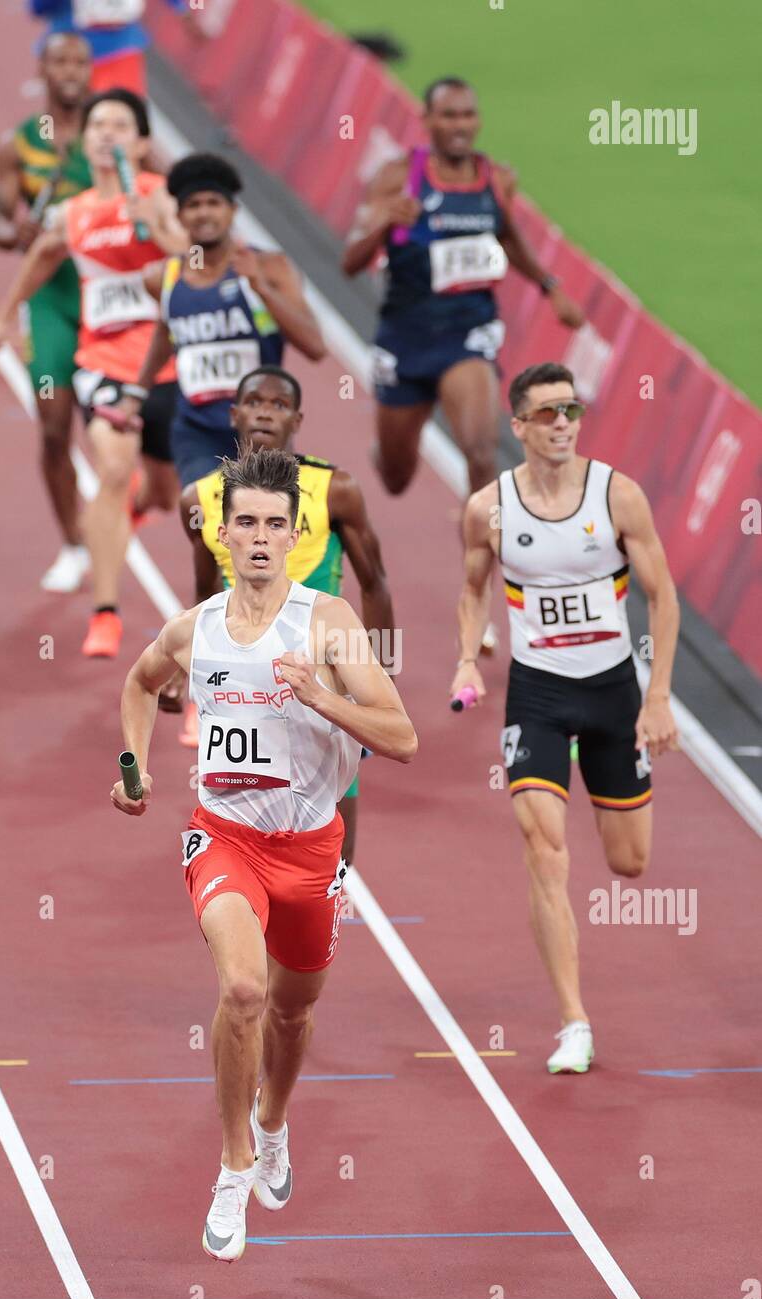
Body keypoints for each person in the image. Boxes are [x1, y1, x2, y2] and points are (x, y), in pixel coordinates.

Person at [111, 446, 417, 1262]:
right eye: (243, 521)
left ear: (294, 536)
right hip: (225, 838)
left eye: (273, 525)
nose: (256, 537)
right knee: (244, 989)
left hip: (313, 848)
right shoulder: (196, 628)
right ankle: (232, 1166)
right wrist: (132, 767)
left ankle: (273, 1124)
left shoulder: (328, 625)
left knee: (292, 1008)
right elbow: (141, 684)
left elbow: (404, 737)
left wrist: (320, 694)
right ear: (219, 532)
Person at [450, 362, 679, 1074]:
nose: (561, 424)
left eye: (570, 411)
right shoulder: (488, 509)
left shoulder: (618, 497)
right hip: (539, 697)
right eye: (545, 414)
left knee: (628, 862)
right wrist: (465, 656)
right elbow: (471, 588)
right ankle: (573, 1022)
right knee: (544, 850)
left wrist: (658, 696)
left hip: (611, 693)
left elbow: (663, 598)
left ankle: (600, 775)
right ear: (517, 425)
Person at [0, 89, 187, 658]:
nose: (105, 133)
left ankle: (120, 518)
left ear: (142, 142)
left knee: (165, 495)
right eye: (98, 124)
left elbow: (195, 258)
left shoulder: (159, 194)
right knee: (113, 470)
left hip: (166, 362)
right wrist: (1, 321)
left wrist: (163, 231)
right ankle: (107, 614)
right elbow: (43, 255)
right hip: (102, 363)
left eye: (120, 125)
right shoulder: (73, 213)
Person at [179, 367, 396, 863]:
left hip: (324, 681)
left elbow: (375, 583)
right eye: (254, 401)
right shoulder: (198, 499)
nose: (265, 411)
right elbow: (204, 588)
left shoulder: (335, 488)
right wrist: (183, 668)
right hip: (246, 678)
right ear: (234, 414)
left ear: (297, 417)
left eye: (279, 405)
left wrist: (379, 680)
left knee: (335, 860)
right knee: (239, 831)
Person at [343, 76, 585, 501]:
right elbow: (349, 263)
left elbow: (507, 237)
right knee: (396, 479)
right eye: (449, 115)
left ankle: (484, 560)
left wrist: (551, 287)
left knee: (479, 451)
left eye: (468, 114)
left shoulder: (496, 180)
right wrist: (385, 224)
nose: (460, 125)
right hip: (406, 337)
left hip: (467, 334)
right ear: (428, 120)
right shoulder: (397, 178)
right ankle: (386, 451)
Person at [112, 152, 326, 489]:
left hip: (262, 430)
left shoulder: (270, 266)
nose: (204, 213)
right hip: (196, 431)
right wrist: (135, 394)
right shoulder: (162, 277)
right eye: (194, 205)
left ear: (232, 211)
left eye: (214, 202)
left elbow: (315, 346)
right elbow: (167, 334)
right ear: (180, 216)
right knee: (207, 519)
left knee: (264, 529)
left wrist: (261, 288)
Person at [0, 32, 93, 593]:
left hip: (105, 299)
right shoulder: (19, 145)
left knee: (118, 432)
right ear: (44, 69)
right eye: (61, 61)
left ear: (91, 71)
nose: (71, 70)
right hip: (49, 301)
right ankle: (75, 544)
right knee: (55, 427)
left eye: (80, 61)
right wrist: (17, 232)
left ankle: (121, 518)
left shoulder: (114, 141)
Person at [27, 1, 193, 95]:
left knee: (125, 111)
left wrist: (183, 10)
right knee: (64, 115)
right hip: (71, 49)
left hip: (120, 49)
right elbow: (37, 8)